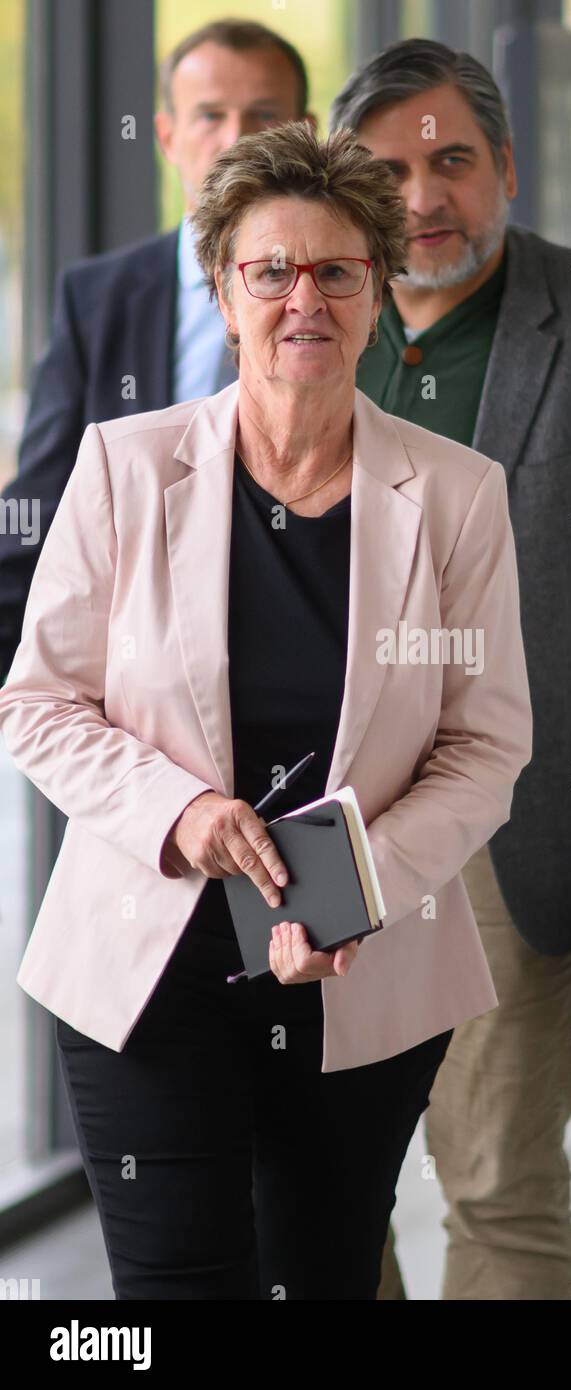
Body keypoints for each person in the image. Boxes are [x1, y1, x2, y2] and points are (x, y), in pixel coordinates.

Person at [0, 123, 532, 1301]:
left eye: (337, 270)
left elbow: (484, 745)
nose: (305, 298)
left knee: (318, 1277)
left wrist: (358, 886)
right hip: (148, 962)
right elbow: (38, 702)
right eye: (270, 271)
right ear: (224, 292)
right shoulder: (125, 467)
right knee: (177, 1284)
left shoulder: (455, 498)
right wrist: (181, 811)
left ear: (378, 293)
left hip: (357, 970)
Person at [330, 38, 571, 1301]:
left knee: (494, 1174)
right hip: (318, 819)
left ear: (505, 163)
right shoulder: (308, 313)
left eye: (452, 159)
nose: (423, 195)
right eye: (387, 169)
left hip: (508, 814)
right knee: (317, 1170)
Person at [0, 17, 315, 680]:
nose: (237, 139)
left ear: (305, 130)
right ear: (167, 135)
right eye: (210, 116)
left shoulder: (348, 292)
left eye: (263, 114)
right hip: (124, 692)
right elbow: (39, 507)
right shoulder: (98, 297)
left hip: (306, 680)